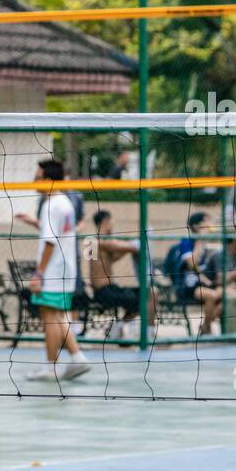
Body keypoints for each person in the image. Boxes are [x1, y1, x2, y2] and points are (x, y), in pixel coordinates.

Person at [25, 158, 90, 382]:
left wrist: (39, 273)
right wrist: (33, 222)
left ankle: (51, 367)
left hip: (53, 270)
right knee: (57, 315)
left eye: (37, 177)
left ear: (49, 180)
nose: (34, 181)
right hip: (66, 268)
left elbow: (51, 241)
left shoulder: (51, 205)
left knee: (49, 316)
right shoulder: (65, 203)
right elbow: (57, 233)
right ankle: (78, 356)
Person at [89, 210, 156, 340]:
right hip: (104, 291)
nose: (113, 225)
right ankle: (146, 333)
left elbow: (112, 256)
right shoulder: (97, 241)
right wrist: (140, 239)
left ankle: (118, 327)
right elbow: (133, 247)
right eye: (112, 222)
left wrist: (127, 247)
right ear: (106, 222)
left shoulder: (94, 243)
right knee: (147, 296)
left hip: (110, 288)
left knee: (150, 294)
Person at [164, 212, 223, 335]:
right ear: (197, 226)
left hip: (203, 283)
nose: (209, 224)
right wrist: (201, 239)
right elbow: (192, 265)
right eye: (206, 221)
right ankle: (207, 328)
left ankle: (205, 325)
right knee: (211, 296)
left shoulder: (207, 243)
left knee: (226, 294)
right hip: (187, 286)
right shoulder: (186, 242)